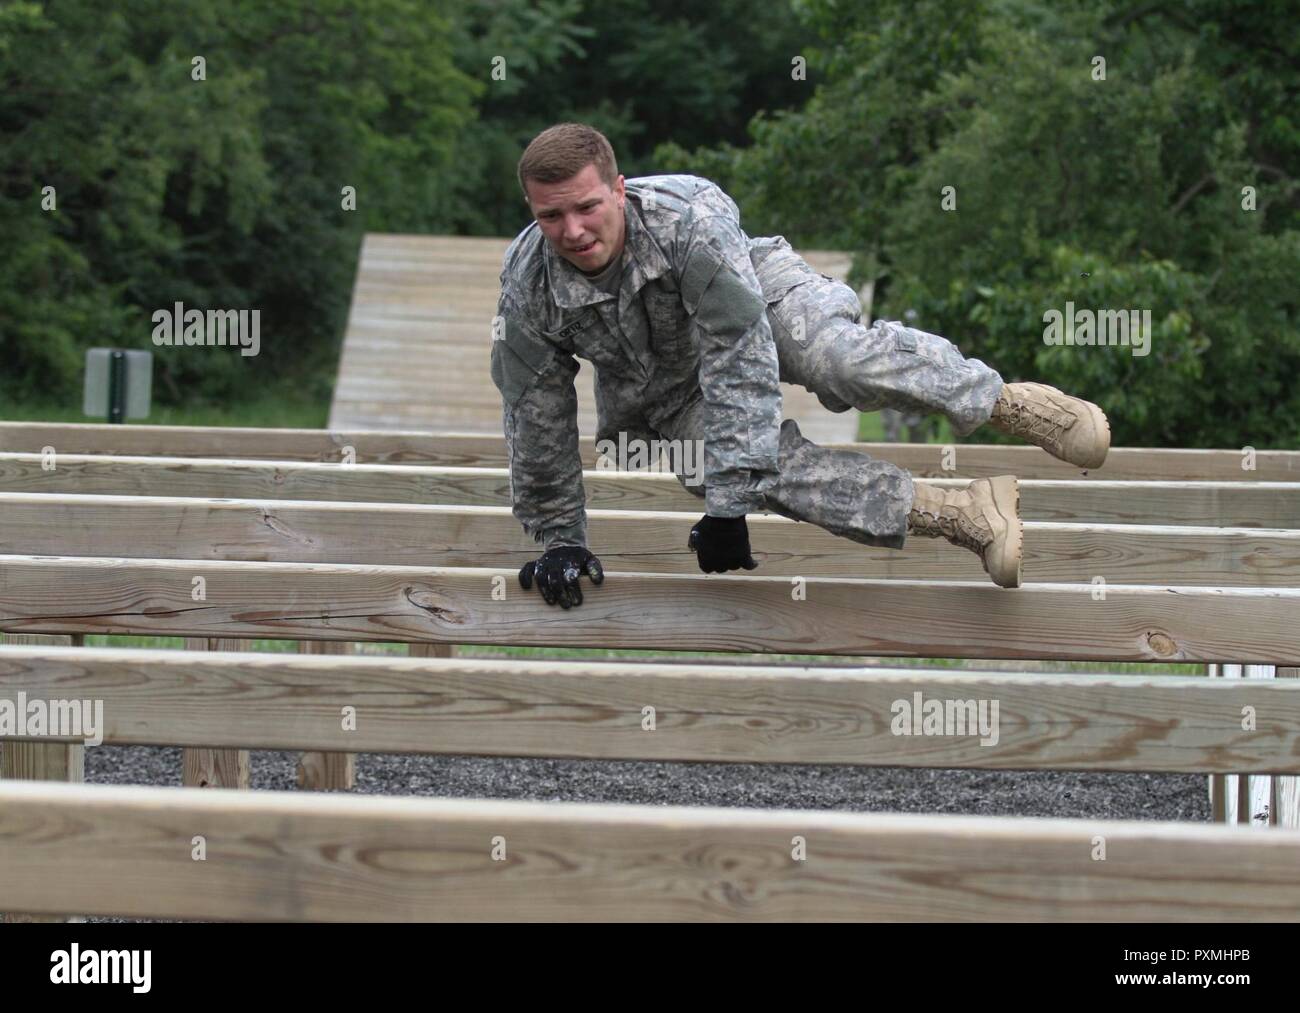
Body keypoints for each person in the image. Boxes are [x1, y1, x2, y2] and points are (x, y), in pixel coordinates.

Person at [492, 123, 1109, 607]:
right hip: (663, 388)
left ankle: (1015, 404)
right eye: (551, 216)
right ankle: (964, 513)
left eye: (587, 207)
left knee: (835, 359)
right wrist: (561, 538)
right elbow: (535, 415)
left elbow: (738, 350)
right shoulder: (527, 288)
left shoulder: (688, 219)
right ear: (531, 209)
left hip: (760, 298)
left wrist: (729, 506)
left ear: (619, 189)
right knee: (744, 466)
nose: (573, 230)